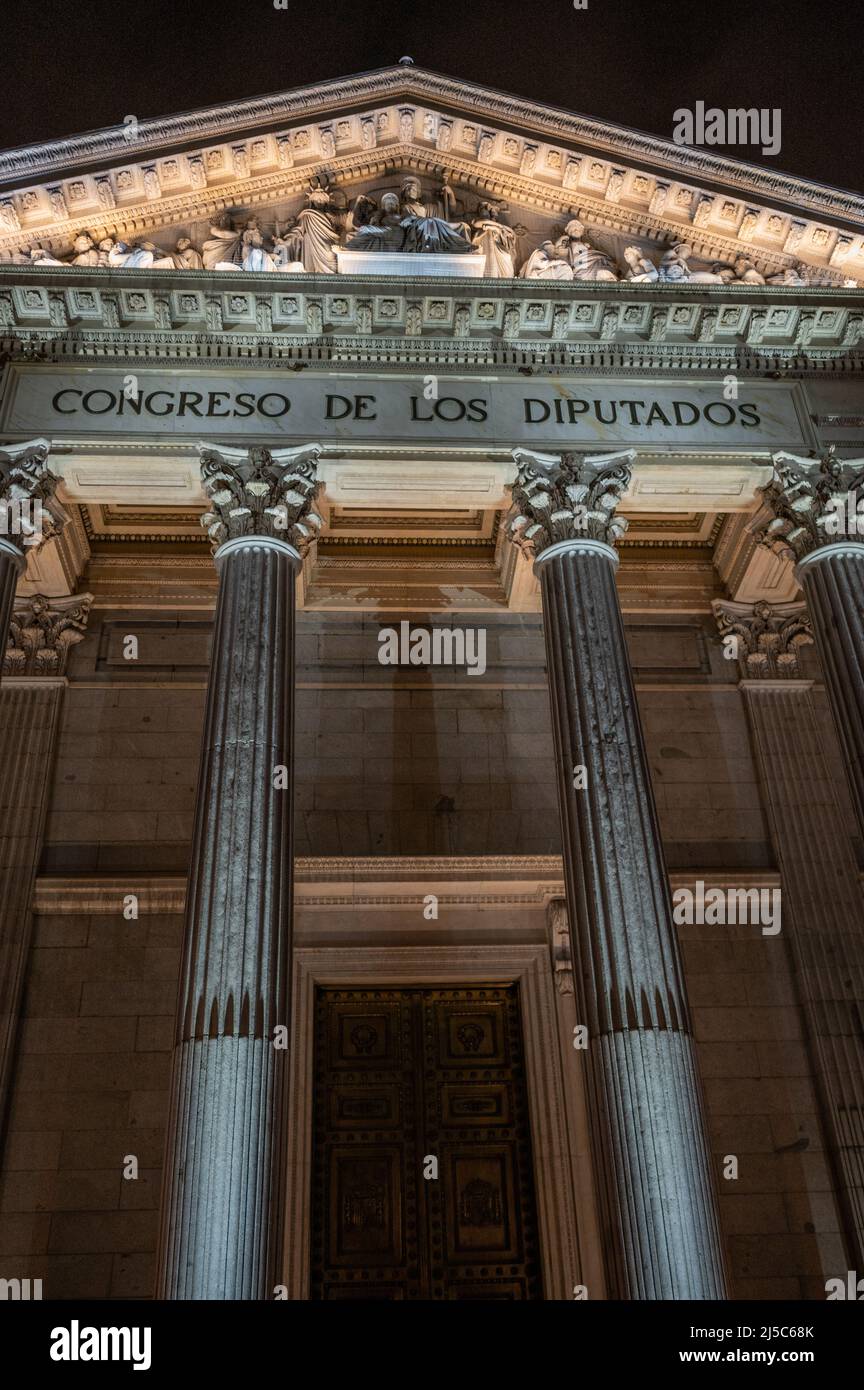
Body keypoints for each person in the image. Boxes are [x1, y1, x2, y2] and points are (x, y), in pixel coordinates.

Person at [471, 203, 517, 278]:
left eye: (488, 211)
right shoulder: (476, 222)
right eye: (484, 209)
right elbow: (481, 222)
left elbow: (507, 235)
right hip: (485, 246)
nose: (487, 212)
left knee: (507, 256)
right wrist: (496, 226)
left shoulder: (498, 227)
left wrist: (495, 227)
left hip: (497, 246)